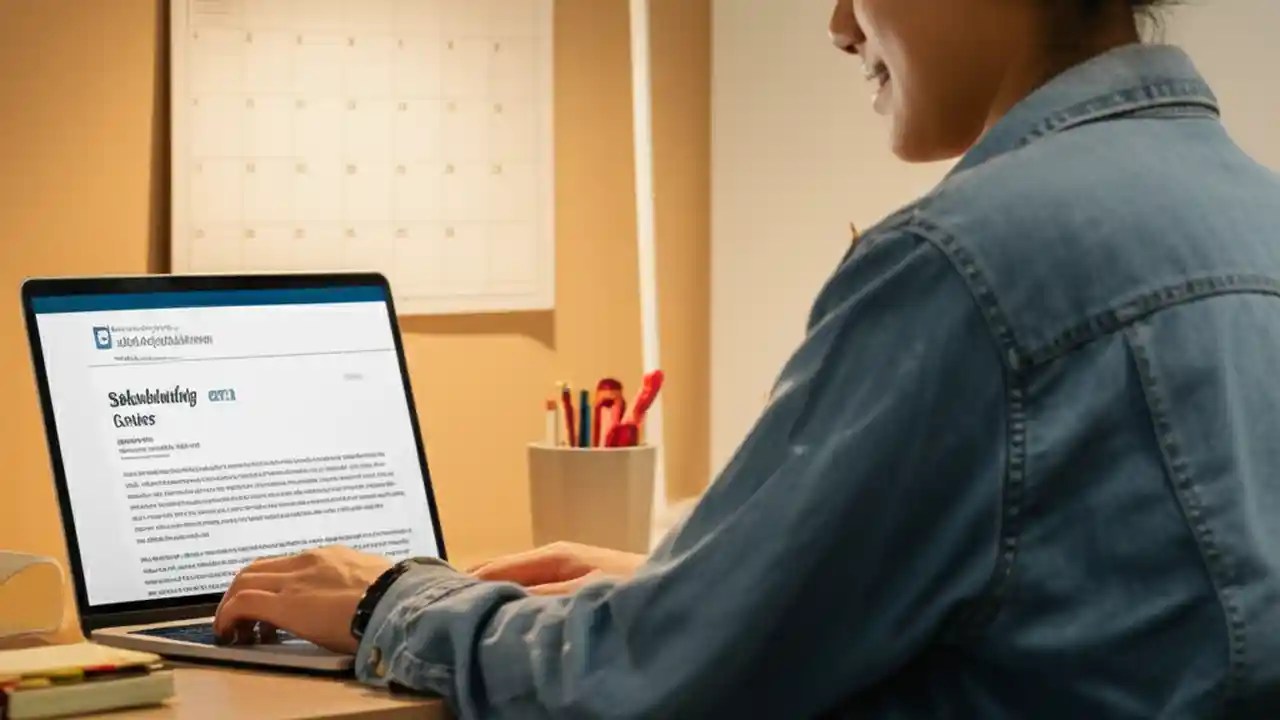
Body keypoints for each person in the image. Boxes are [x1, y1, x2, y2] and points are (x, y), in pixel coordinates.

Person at [214, 0, 1280, 716]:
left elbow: (654, 689)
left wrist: (386, 602)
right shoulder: (1249, 216)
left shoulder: (963, 262)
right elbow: (1093, 603)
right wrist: (717, 580)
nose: (834, 22)